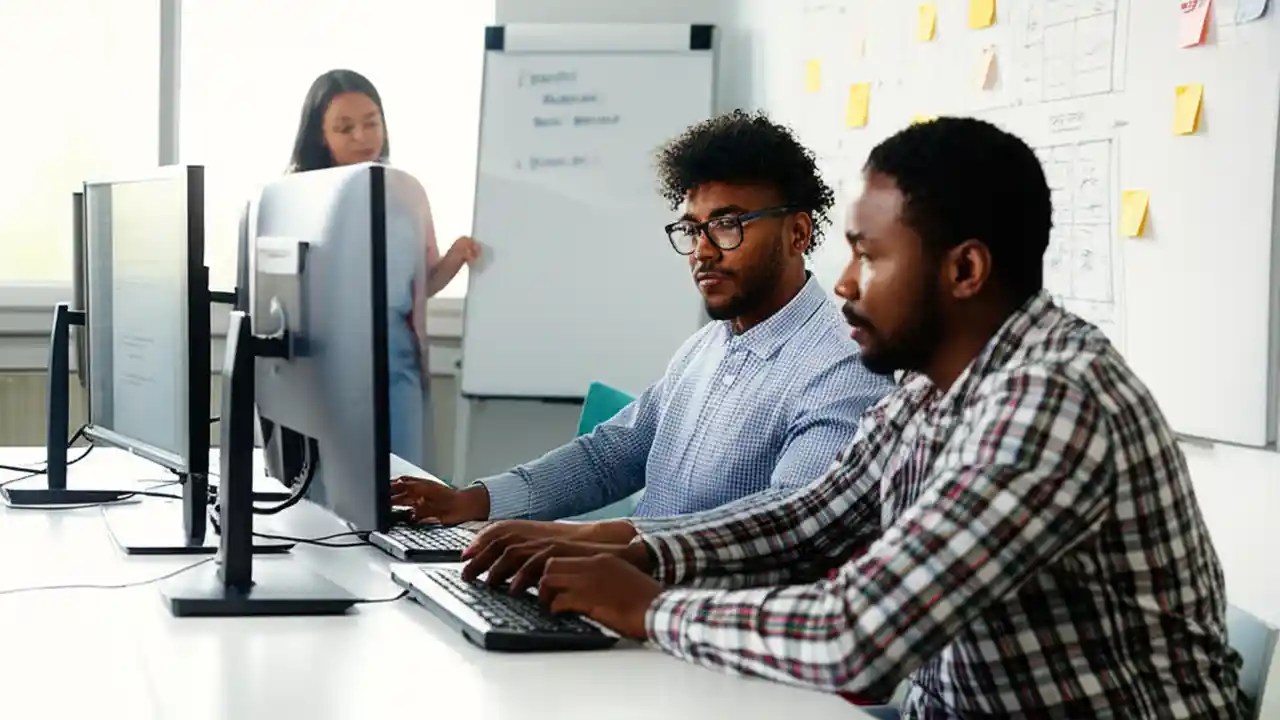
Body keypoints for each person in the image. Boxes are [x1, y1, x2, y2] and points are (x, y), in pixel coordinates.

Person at [460, 117, 1244, 718]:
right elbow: (810, 518)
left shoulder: (1053, 400)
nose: (842, 285)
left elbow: (854, 636)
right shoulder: (932, 388)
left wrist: (649, 607)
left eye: (869, 255)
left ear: (964, 270)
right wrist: (634, 552)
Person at [392, 110, 891, 524]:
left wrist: (585, 544)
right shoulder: (707, 347)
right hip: (630, 595)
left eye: (726, 225)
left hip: (698, 621)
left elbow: (786, 523)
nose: (702, 252)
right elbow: (609, 457)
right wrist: (473, 501)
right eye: (692, 229)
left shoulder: (843, 366)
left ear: (798, 234)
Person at [287, 69, 480, 468]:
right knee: (335, 479)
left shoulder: (407, 191)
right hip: (329, 358)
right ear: (321, 136)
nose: (362, 136)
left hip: (397, 359)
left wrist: (455, 259)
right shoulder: (299, 196)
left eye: (371, 122)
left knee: (402, 479)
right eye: (345, 128)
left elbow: (421, 285)